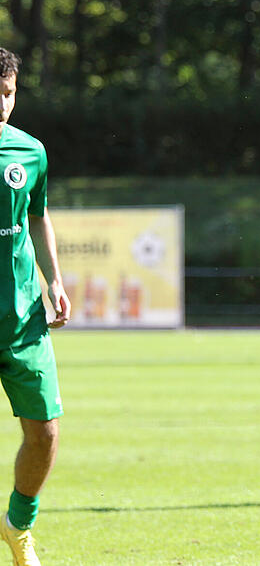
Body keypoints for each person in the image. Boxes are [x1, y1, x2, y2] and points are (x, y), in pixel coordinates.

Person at [0, 47, 71, 566]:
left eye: (8, 93)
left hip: (22, 318)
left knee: (45, 432)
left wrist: (55, 279)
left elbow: (38, 217)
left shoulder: (30, 152)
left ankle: (17, 526)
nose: (2, 104)